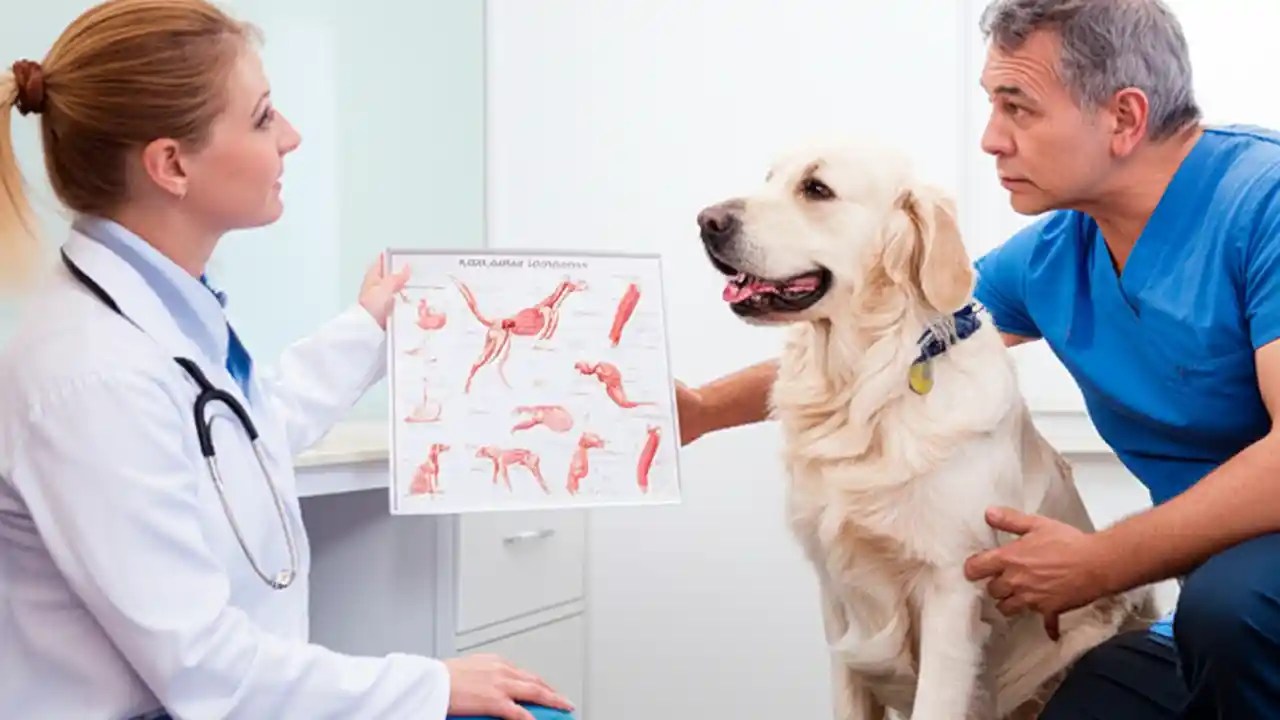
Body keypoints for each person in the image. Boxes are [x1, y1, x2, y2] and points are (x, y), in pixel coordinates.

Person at [677, 0, 1280, 717]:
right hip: (1210, 591)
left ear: (1122, 118)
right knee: (1090, 699)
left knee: (1228, 606)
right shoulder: (1056, 254)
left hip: (1241, 590)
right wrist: (702, 411)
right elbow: (901, 340)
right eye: (992, 106)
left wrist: (1098, 564)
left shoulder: (1262, 202)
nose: (992, 139)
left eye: (1018, 108)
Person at [0, 1, 576, 719]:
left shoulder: (151, 326)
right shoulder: (89, 376)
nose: (293, 137)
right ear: (171, 165)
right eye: (265, 116)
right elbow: (209, 670)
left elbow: (241, 439)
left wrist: (369, 328)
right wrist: (432, 685)